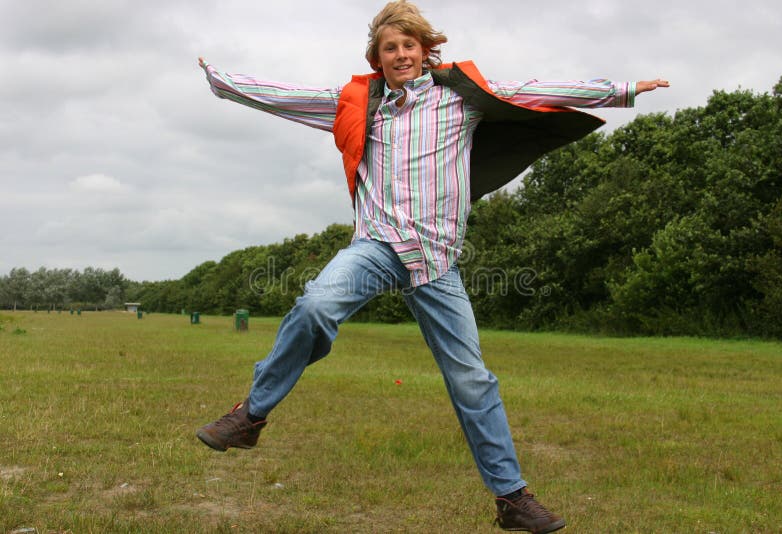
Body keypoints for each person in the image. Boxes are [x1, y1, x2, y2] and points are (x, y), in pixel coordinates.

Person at [195, 1, 668, 532]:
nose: (400, 55)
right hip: (376, 246)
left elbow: (535, 91)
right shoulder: (358, 103)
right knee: (314, 306)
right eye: (389, 48)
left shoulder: (459, 99)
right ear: (377, 57)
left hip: (436, 260)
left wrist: (621, 89)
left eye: (408, 46)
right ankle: (251, 415)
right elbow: (284, 97)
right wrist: (221, 80)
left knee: (472, 380)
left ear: (425, 51)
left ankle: (512, 500)